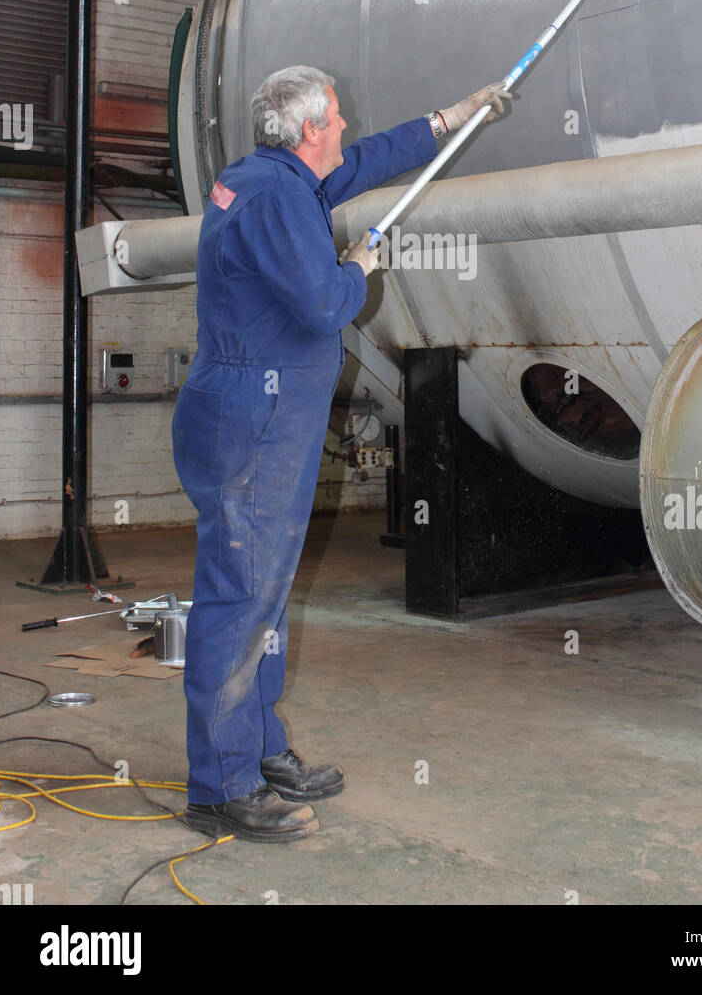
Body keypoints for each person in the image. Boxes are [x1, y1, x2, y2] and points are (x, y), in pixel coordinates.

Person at [173, 65, 510, 842]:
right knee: (239, 597)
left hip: (247, 409)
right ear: (311, 129)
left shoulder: (270, 176)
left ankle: (257, 753)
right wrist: (359, 266)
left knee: (262, 594)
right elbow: (325, 304)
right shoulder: (281, 197)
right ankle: (219, 785)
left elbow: (365, 163)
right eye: (338, 117)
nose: (347, 128)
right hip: (254, 419)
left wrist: (448, 115)